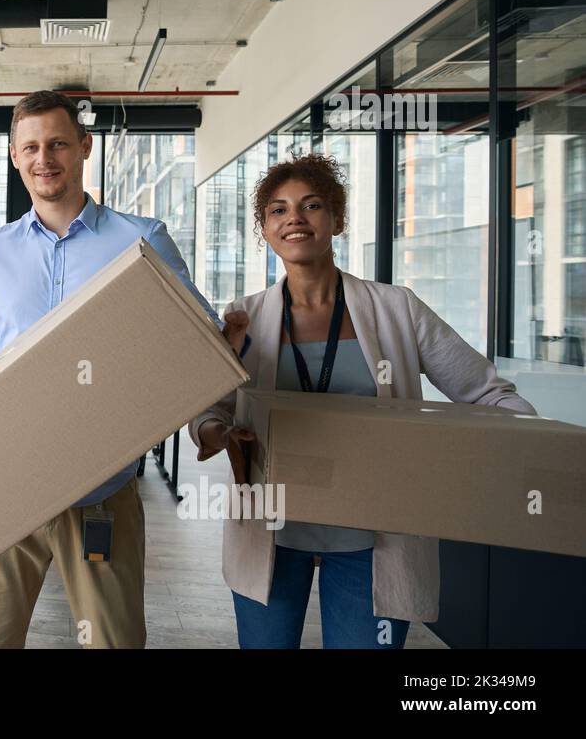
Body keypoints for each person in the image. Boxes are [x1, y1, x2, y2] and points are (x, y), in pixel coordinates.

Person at [0, 90, 245, 648]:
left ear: (84, 146)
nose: (44, 158)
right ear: (14, 157)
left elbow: (194, 336)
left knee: (114, 640)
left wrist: (214, 360)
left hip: (101, 486)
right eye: (30, 147)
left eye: (58, 143)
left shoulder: (141, 238)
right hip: (6, 483)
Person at [190, 153, 535, 649]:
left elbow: (486, 391)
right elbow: (208, 410)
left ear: (337, 218)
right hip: (273, 528)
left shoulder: (397, 310)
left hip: (372, 537)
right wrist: (220, 434)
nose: (294, 219)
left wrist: (537, 454)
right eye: (278, 210)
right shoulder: (244, 319)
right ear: (264, 229)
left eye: (311, 205)